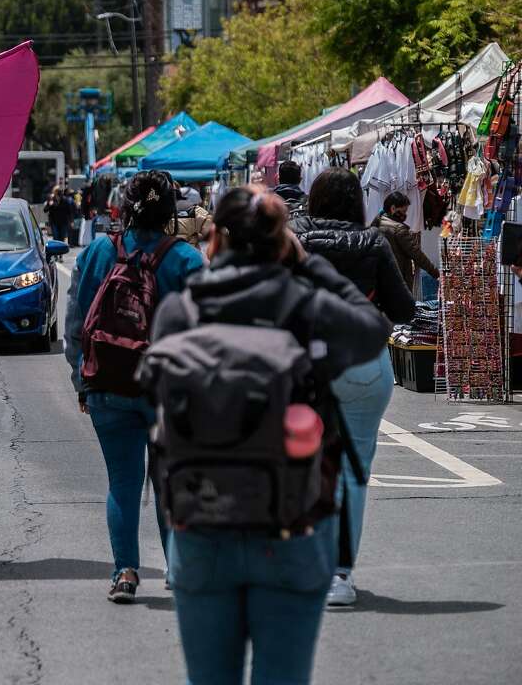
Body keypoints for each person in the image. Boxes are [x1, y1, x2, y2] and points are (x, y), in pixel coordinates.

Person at [153, 185, 389, 685]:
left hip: (202, 521)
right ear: (282, 242)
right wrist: (307, 264)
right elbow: (372, 329)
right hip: (294, 522)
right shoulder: (304, 305)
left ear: (213, 239)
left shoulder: (181, 312)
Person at [64, 170, 205, 602]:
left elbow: (75, 327)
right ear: (171, 212)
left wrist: (82, 381)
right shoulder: (186, 260)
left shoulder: (99, 252)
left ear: (123, 208)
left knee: (122, 483)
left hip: (108, 384)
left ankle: (124, 572)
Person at [290, 168, 415, 607]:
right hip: (365, 362)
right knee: (353, 471)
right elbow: (405, 309)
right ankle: (339, 577)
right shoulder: (374, 242)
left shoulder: (295, 239)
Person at [372, 191, 439, 289]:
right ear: (393, 208)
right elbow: (416, 254)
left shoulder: (378, 222)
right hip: (398, 280)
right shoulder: (398, 229)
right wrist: (436, 273)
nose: (405, 215)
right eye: (403, 211)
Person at [166, 184, 214, 248]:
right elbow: (211, 231)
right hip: (190, 252)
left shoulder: (162, 213)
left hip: (168, 253)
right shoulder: (197, 213)